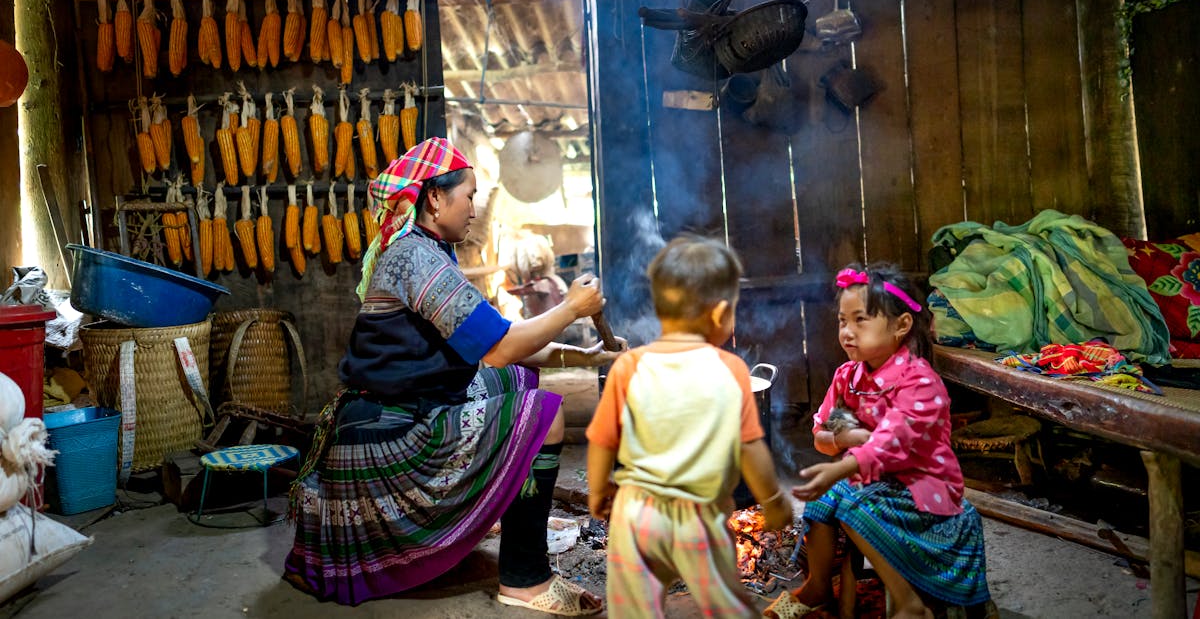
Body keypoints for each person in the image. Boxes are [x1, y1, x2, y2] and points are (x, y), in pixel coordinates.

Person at [284, 137, 624, 613]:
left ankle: (489, 502)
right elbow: (503, 347)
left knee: (519, 380)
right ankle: (526, 579)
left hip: (401, 409)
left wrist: (583, 356)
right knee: (547, 414)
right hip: (388, 434)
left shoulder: (426, 250)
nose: (473, 207)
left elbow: (499, 340)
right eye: (468, 195)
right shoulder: (415, 259)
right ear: (435, 198)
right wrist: (570, 307)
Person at [764, 263, 992, 619]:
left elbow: (891, 441)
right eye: (843, 321)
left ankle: (908, 602)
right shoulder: (849, 379)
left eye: (861, 320)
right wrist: (846, 437)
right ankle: (818, 586)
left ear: (901, 326)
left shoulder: (918, 383)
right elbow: (824, 435)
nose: (847, 332)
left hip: (920, 486)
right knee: (826, 499)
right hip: (872, 481)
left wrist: (844, 460)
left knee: (849, 500)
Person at [586, 235, 792, 619]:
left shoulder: (628, 366)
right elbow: (751, 450)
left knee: (635, 611)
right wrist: (774, 502)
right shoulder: (730, 370)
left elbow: (601, 441)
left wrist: (598, 492)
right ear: (718, 315)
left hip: (635, 517)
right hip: (699, 518)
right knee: (728, 607)